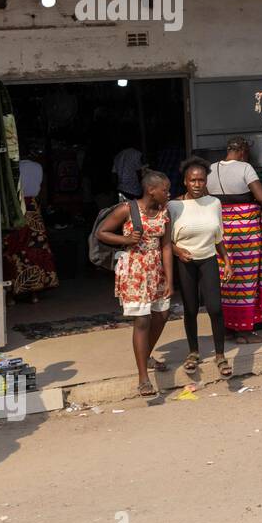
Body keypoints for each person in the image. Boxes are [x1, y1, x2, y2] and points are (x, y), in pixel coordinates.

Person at [94, 169, 173, 398]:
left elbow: (166, 246)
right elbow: (102, 232)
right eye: (165, 190)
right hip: (135, 270)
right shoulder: (127, 209)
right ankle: (143, 379)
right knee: (142, 320)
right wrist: (125, 240)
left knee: (163, 314)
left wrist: (169, 279)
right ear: (151, 190)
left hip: (156, 268)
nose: (168, 194)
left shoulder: (164, 213)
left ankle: (145, 354)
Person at [170, 158, 234, 379]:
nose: (197, 184)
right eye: (192, 180)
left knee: (215, 308)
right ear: (185, 182)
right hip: (185, 262)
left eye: (201, 180)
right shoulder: (174, 205)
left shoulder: (214, 203)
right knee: (190, 309)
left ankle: (220, 354)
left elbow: (218, 236)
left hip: (208, 259)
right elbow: (165, 241)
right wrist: (178, 252)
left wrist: (226, 260)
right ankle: (193, 352)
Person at [206, 137, 262, 341]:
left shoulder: (210, 169)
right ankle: (244, 330)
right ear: (243, 151)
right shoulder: (245, 168)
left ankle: (228, 327)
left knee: (226, 279)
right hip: (246, 233)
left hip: (222, 231)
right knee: (246, 280)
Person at [3, 149, 59, 303]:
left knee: (12, 249)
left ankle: (10, 295)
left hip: (16, 208)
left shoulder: (10, 167)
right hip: (33, 208)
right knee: (36, 249)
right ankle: (34, 293)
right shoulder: (37, 167)